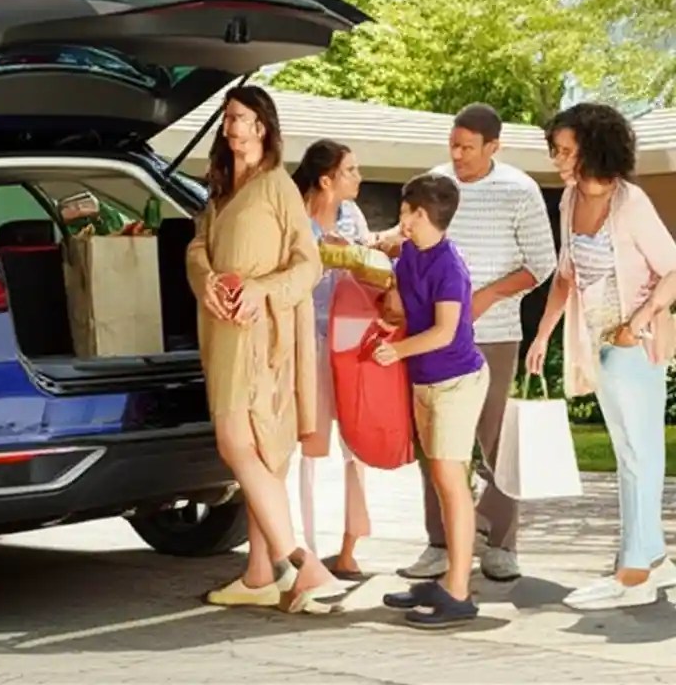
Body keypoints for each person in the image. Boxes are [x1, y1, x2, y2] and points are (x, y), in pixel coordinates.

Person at [375, 104, 557, 582]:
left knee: (494, 441)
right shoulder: (436, 183)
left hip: (493, 334)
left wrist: (487, 296)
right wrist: (374, 243)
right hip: (430, 336)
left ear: (494, 146)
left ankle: (500, 543)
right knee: (433, 445)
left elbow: (543, 264)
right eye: (453, 145)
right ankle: (440, 542)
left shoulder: (519, 190)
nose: (457, 155)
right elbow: (405, 232)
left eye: (468, 148)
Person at [188, 86, 339, 614]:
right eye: (228, 118)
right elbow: (198, 247)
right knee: (255, 450)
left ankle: (300, 562)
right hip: (222, 330)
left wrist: (261, 290)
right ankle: (258, 576)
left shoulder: (278, 187)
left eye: (241, 117)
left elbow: (309, 263)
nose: (231, 126)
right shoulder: (220, 189)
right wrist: (206, 279)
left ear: (262, 127)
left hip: (262, 333)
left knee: (240, 444)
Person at [526, 102, 676, 610]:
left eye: (565, 150)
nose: (557, 159)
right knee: (630, 454)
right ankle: (651, 558)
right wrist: (542, 335)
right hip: (598, 343)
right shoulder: (570, 199)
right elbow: (566, 274)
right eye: (555, 149)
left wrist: (638, 323)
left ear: (595, 148)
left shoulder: (629, 203)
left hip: (635, 345)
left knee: (638, 456)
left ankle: (635, 574)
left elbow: (673, 269)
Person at [376, 173, 489, 628]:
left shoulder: (449, 267)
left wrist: (397, 350)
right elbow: (402, 302)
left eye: (405, 212)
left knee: (450, 479)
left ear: (420, 214)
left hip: (455, 381)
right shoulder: (409, 254)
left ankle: (459, 591)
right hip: (426, 380)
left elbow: (445, 331)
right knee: (440, 478)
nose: (400, 219)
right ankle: (447, 579)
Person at [291, 139, 373, 579]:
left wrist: (355, 256)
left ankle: (348, 547)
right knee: (308, 444)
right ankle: (305, 547)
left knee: (354, 444)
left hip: (350, 339)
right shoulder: (295, 219)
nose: (358, 177)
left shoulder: (352, 217)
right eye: (350, 170)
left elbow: (370, 267)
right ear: (326, 180)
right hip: (305, 340)